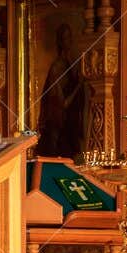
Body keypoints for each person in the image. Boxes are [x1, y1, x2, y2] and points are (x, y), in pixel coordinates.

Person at [37, 22, 86, 159]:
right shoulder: (56, 68)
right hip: (58, 126)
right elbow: (64, 103)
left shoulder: (69, 64)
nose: (68, 41)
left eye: (69, 37)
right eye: (65, 38)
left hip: (69, 124)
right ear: (60, 41)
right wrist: (78, 85)